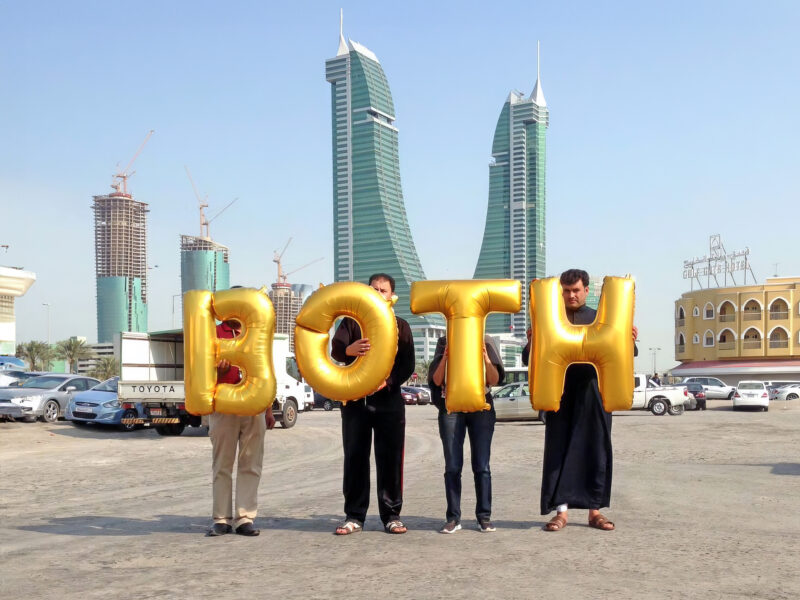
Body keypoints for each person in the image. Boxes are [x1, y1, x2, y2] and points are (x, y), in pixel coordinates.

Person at [522, 269, 637, 532]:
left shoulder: (601, 319)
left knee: (595, 452)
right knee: (558, 453)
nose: (571, 295)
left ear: (587, 291)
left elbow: (624, 355)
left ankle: (594, 512)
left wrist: (629, 339)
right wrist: (531, 344)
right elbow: (528, 361)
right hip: (560, 396)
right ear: (559, 291)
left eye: (576, 290)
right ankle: (560, 513)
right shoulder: (549, 319)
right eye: (566, 290)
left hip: (593, 396)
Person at [330, 273, 415, 535]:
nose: (379, 293)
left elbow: (407, 365)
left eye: (384, 290)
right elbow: (335, 349)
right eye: (374, 289)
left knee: (390, 460)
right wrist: (349, 350)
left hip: (389, 403)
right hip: (355, 403)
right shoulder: (352, 322)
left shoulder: (400, 326)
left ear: (391, 296)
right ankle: (354, 515)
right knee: (355, 458)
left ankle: (392, 515)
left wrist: (387, 382)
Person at [207, 315, 276, 537]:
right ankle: (221, 519)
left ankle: (244, 518)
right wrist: (216, 371)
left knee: (251, 463)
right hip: (223, 405)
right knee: (222, 465)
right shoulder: (213, 333)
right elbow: (199, 370)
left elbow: (266, 369)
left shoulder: (256, 332)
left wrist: (268, 408)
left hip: (253, 405)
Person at [428, 335, 504, 533]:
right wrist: (445, 357)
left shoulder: (484, 338)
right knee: (452, 466)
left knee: (482, 466)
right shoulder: (445, 339)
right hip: (451, 408)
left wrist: (486, 358)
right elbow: (436, 380)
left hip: (482, 408)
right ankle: (453, 517)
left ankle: (484, 517)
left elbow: (494, 380)